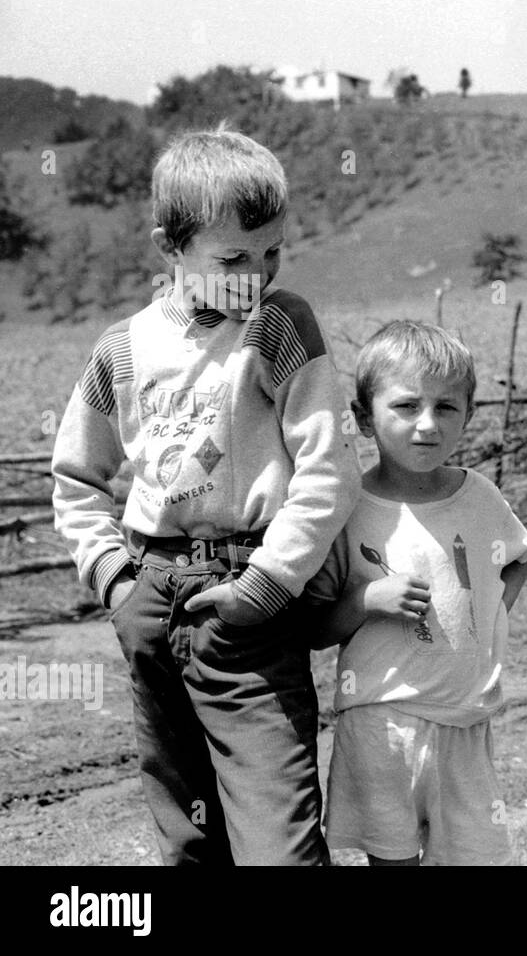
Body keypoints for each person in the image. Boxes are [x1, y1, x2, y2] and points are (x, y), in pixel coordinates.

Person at [51, 126, 362, 865]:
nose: (256, 275)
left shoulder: (280, 328)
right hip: (153, 601)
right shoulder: (122, 351)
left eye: (272, 252)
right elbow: (76, 477)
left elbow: (329, 471)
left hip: (250, 610)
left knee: (278, 846)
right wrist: (119, 585)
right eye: (232, 259)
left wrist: (266, 584)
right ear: (170, 245)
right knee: (188, 839)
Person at [304, 321, 527, 865]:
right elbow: (314, 628)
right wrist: (366, 601)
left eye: (446, 407)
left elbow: (520, 559)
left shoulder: (479, 498)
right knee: (395, 859)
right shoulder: (347, 508)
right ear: (364, 418)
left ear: (469, 415)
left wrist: (485, 621)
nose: (427, 425)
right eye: (406, 406)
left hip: (465, 720)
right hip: (381, 723)